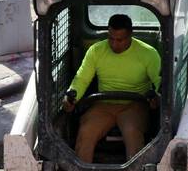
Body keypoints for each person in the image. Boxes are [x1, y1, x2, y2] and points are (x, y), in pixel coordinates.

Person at [64, 14, 162, 163]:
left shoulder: (149, 54)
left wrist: (157, 97)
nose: (114, 44)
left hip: (135, 105)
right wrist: (72, 97)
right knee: (86, 131)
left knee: (132, 132)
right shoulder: (96, 51)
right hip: (104, 103)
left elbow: (159, 82)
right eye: (111, 38)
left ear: (130, 35)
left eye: (120, 40)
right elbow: (82, 79)